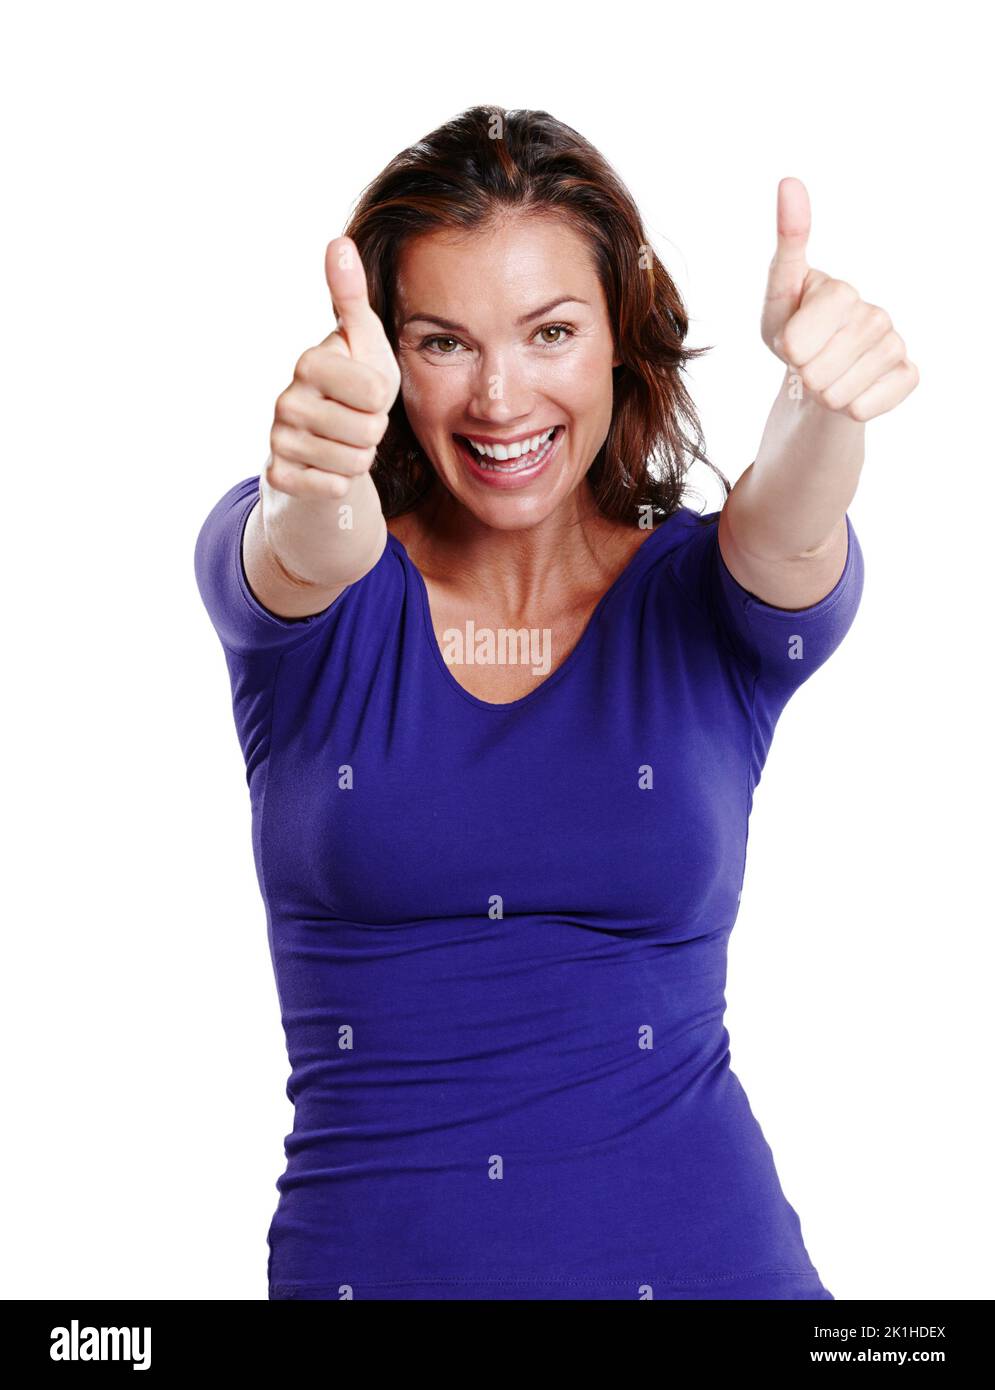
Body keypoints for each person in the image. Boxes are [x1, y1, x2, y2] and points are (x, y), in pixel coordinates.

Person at [194, 106, 917, 1301]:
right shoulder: (304, 592)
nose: (497, 396)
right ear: (379, 349)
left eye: (549, 332)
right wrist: (317, 474)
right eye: (441, 341)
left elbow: (790, 517)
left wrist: (820, 406)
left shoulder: (706, 595)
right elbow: (304, 541)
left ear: (619, 338)